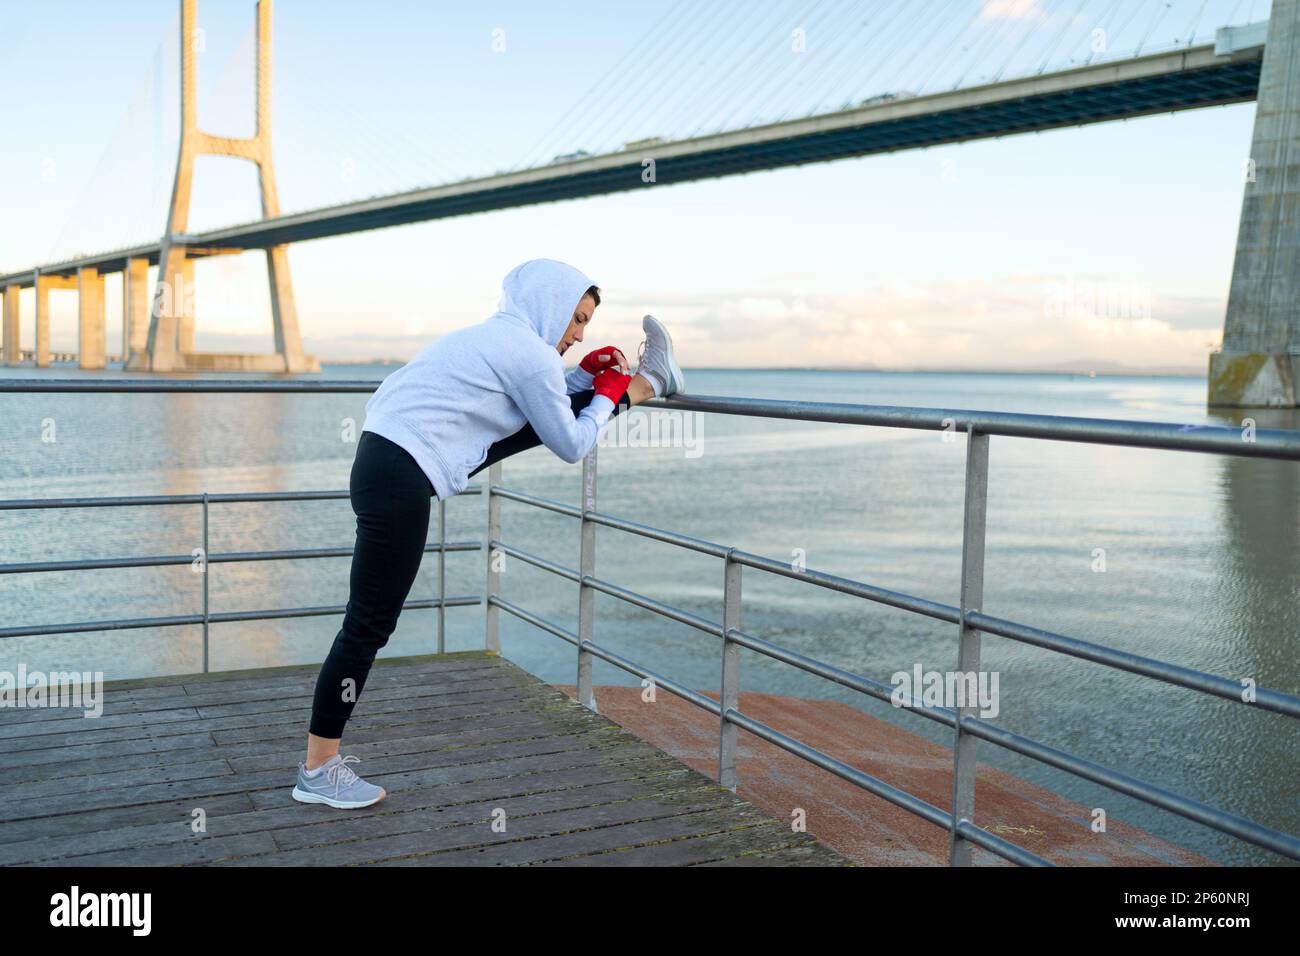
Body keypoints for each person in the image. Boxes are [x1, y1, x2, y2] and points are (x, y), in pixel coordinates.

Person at [292, 258, 685, 809]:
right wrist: (606, 391)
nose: (576, 335)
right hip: (399, 477)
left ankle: (651, 381)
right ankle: (318, 769)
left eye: (585, 326)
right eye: (575, 319)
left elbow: (527, 410)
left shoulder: (498, 337)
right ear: (548, 306)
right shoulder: (527, 353)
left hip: (383, 461)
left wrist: (587, 382)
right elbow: (570, 443)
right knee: (367, 627)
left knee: (367, 622)